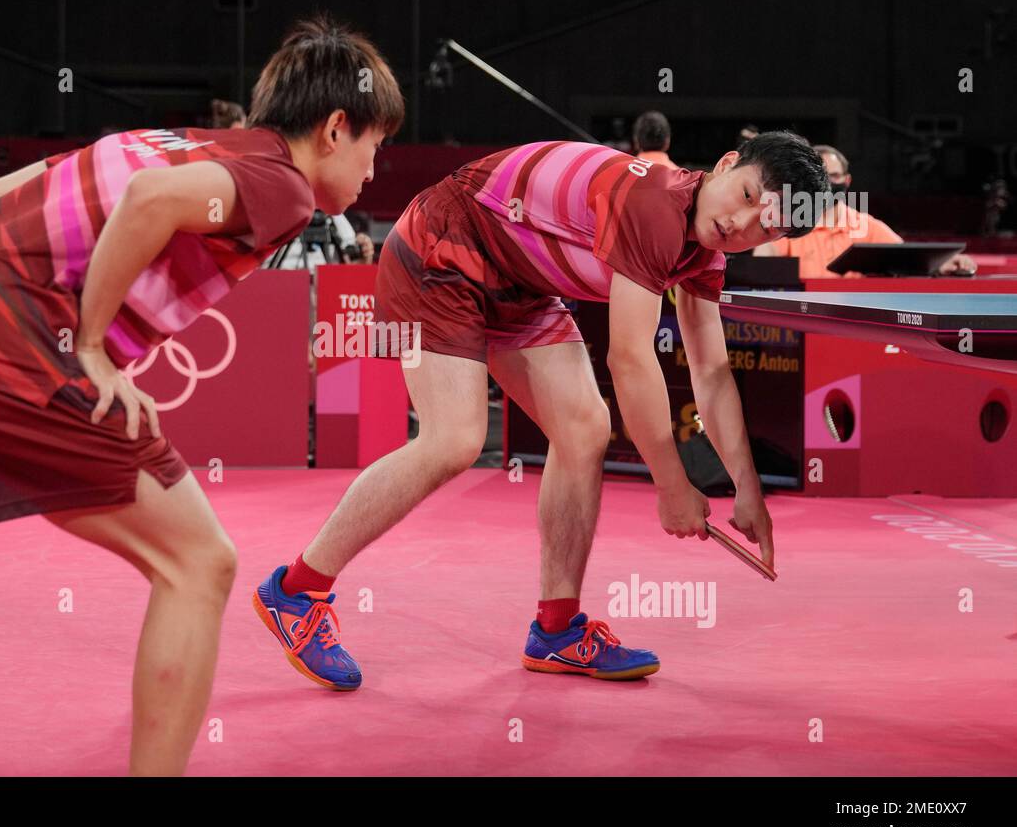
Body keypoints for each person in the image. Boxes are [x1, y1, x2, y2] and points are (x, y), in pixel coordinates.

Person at [0, 16, 403, 776]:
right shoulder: (282, 186)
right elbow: (150, 202)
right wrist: (88, 347)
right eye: (377, 144)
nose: (375, 169)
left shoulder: (172, 138)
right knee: (198, 563)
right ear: (337, 128)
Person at [254, 132, 826, 690]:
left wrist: (746, 487)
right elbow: (630, 359)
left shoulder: (704, 254)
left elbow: (712, 371)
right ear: (727, 164)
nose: (741, 224)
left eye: (765, 226)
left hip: (519, 283)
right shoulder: (656, 206)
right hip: (444, 240)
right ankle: (296, 590)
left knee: (583, 429)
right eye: (748, 196)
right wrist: (672, 485)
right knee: (453, 440)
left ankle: (556, 630)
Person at [754, 144, 976, 277]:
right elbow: (761, 265)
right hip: (805, 324)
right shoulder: (789, 225)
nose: (827, 183)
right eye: (819, 176)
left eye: (834, 176)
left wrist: (944, 264)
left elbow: (909, 259)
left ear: (847, 181)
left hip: (855, 324)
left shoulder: (867, 226)